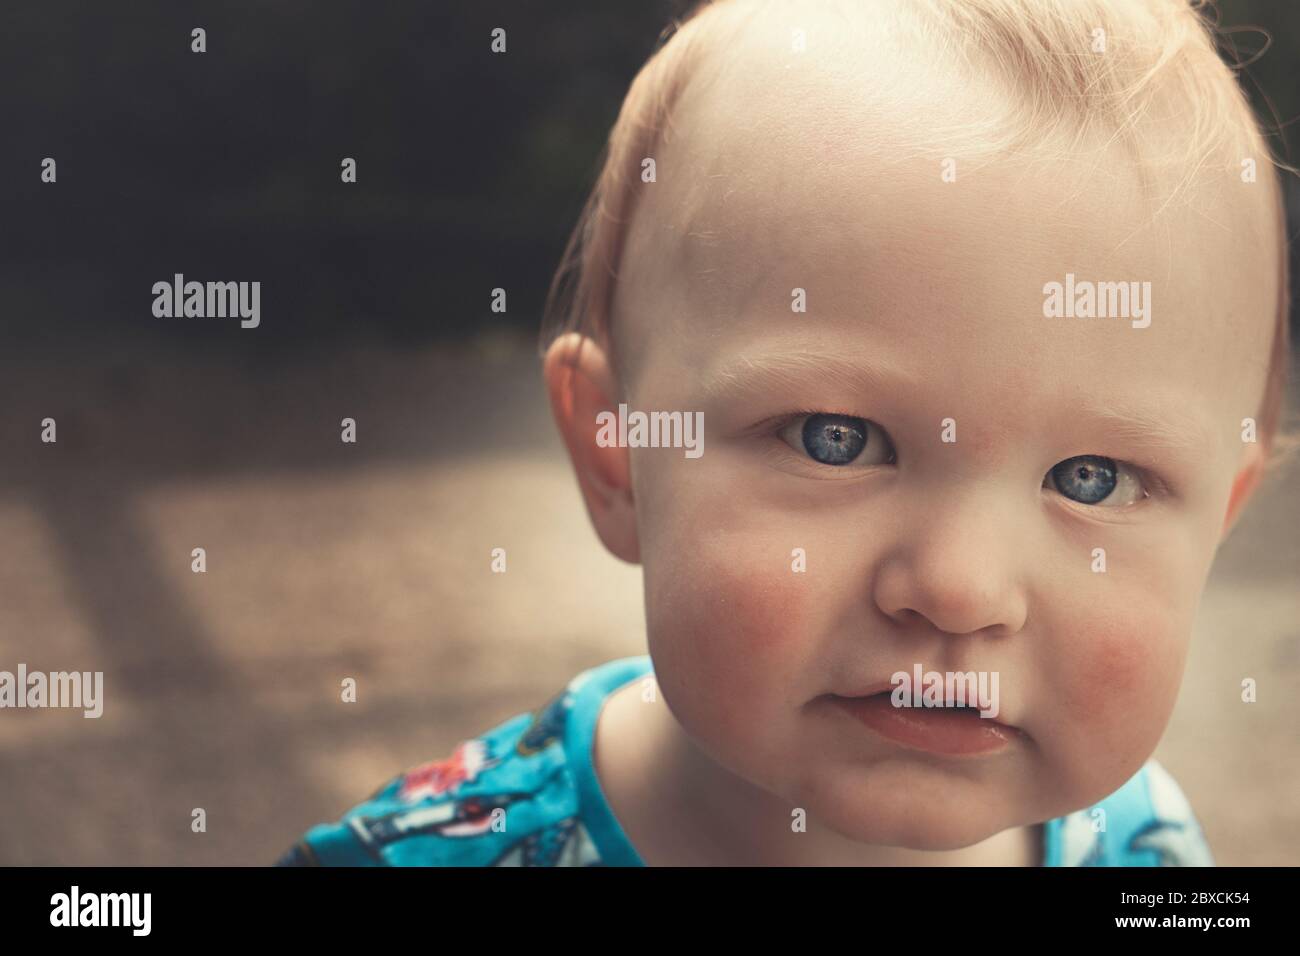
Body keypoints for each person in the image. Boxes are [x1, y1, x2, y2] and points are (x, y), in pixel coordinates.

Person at [277, 0, 1295, 866]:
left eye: (1092, 474)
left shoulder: (1150, 850)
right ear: (616, 453)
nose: (961, 586)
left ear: (1219, 514)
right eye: (834, 438)